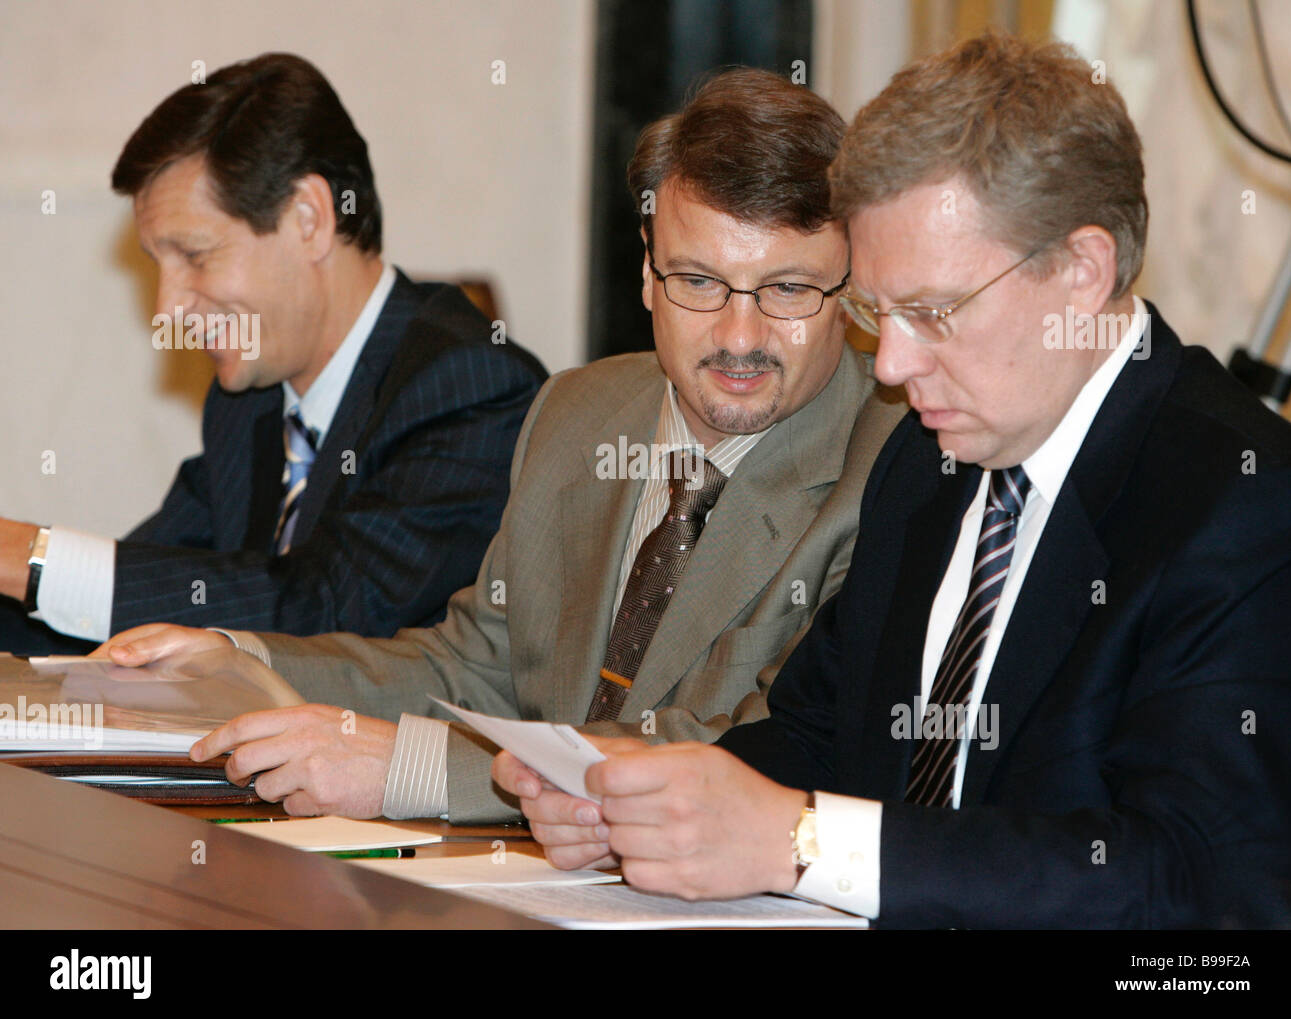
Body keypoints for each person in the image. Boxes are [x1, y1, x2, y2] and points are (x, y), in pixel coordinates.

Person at [496, 34, 1291, 928]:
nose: (892, 366)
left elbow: (1202, 888)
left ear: (1082, 273)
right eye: (879, 312)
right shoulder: (929, 460)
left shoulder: (1245, 503)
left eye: (932, 312)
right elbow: (822, 734)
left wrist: (799, 842)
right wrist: (635, 798)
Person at [100, 68, 907, 824]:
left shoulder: (897, 469)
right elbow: (473, 663)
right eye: (697, 281)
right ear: (646, 278)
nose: (741, 336)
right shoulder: (577, 411)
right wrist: (239, 659)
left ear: (851, 293)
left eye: (789, 290)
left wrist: (410, 768)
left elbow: (761, 745)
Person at [0, 52, 546, 655]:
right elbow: (150, 595)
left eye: (195, 255)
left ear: (308, 218)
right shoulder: (254, 401)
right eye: (159, 265)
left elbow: (327, 614)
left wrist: (29, 554)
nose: (167, 310)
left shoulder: (471, 388)